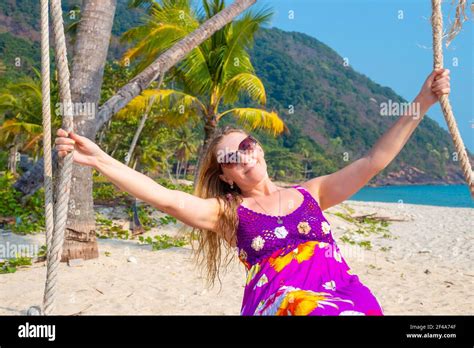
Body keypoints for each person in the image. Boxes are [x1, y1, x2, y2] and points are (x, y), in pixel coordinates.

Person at [55, 69, 451, 315]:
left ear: (257, 148)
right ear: (226, 175)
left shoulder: (313, 193)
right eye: (230, 157)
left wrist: (423, 100)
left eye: (245, 147)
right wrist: (100, 160)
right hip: (282, 306)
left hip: (343, 296)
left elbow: (373, 161)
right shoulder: (229, 213)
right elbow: (166, 198)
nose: (242, 157)